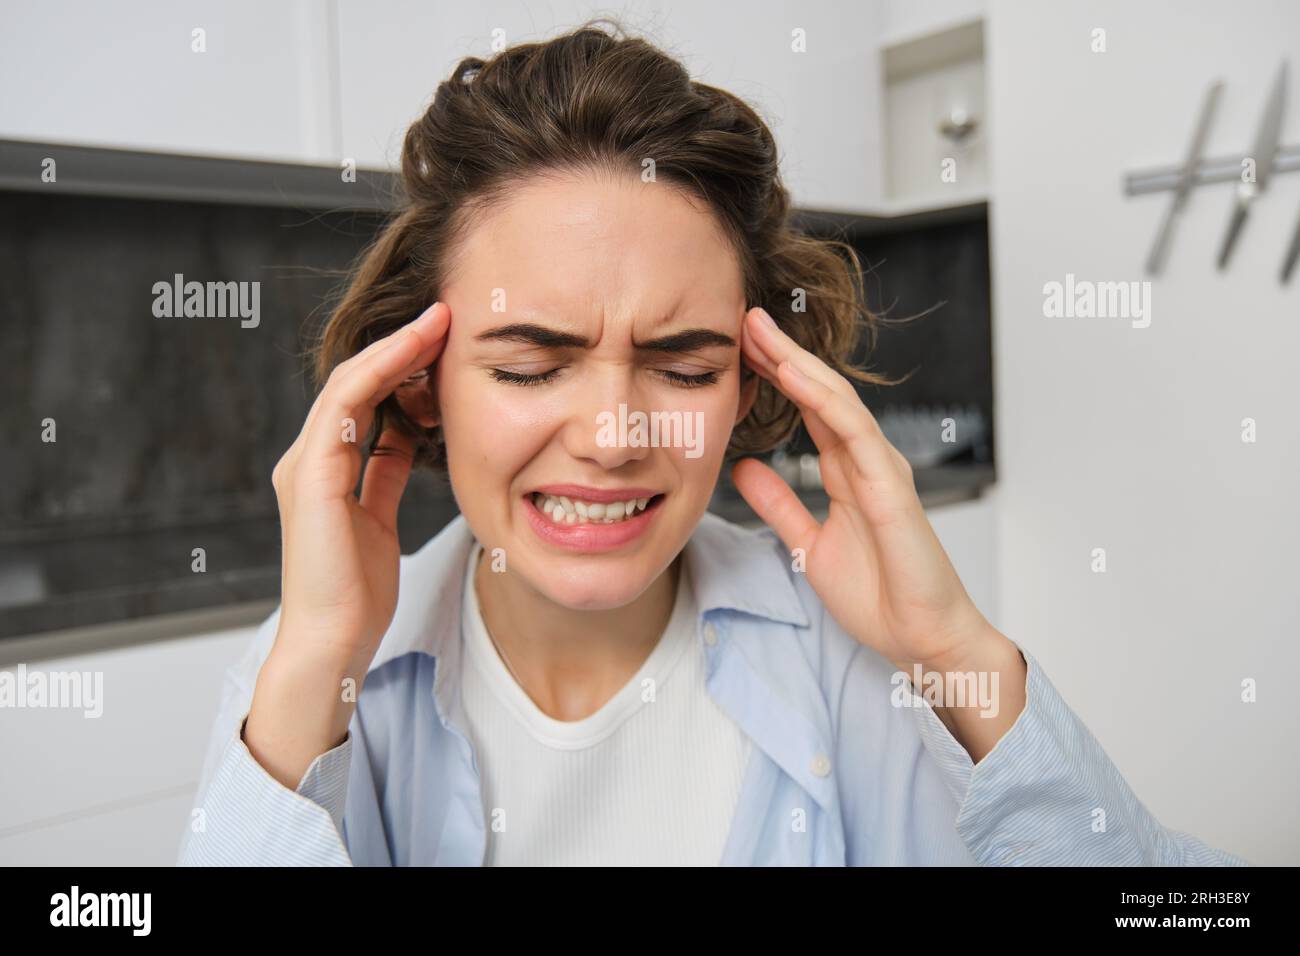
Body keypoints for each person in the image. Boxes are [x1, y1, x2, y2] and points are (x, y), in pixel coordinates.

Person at [178, 20, 1246, 866]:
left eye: (682, 366)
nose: (611, 434)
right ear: (421, 382)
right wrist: (315, 668)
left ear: (751, 381)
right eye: (528, 364)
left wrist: (954, 652)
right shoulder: (313, 678)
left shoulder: (855, 663)